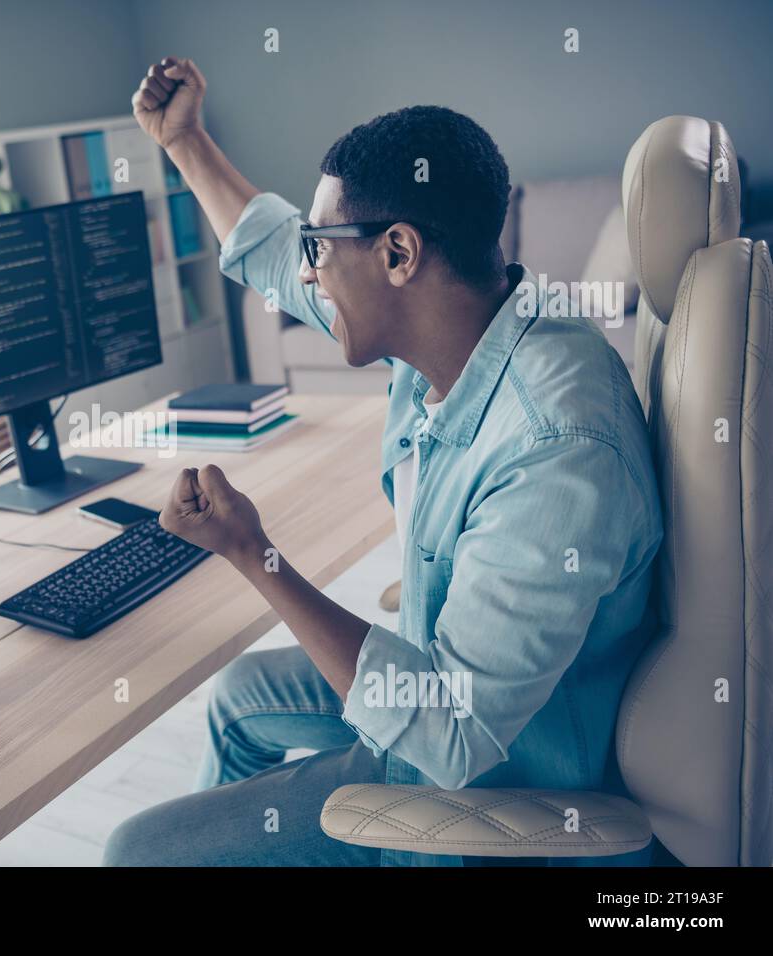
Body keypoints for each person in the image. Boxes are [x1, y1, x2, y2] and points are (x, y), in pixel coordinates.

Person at [103, 57, 662, 866]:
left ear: (398, 253)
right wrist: (185, 141)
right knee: (234, 700)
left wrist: (252, 554)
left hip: (492, 790)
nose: (306, 271)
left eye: (320, 248)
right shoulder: (460, 324)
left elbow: (454, 732)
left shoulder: (555, 447)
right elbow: (271, 255)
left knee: (132, 850)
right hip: (451, 698)